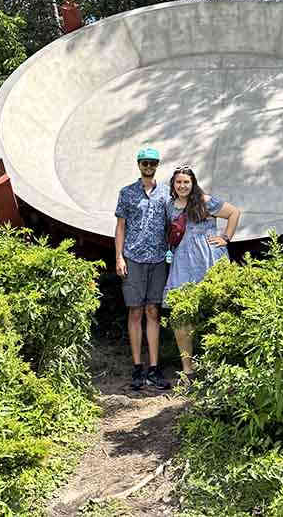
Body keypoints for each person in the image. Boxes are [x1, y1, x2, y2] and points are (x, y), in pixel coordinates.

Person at [163, 165, 241, 379]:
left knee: (214, 308)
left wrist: (225, 237)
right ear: (173, 184)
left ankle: (216, 365)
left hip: (208, 257)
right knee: (181, 311)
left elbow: (234, 212)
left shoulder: (205, 201)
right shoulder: (170, 206)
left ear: (192, 183)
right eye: (178, 182)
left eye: (186, 182)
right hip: (182, 260)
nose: (182, 185)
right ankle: (187, 368)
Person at [115, 146, 172, 391]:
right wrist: (119, 257)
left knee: (153, 311)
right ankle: (138, 367)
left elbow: (175, 224)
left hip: (158, 259)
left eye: (152, 163)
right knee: (135, 311)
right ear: (139, 165)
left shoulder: (167, 194)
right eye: (145, 163)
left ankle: (154, 368)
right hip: (134, 258)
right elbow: (120, 227)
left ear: (157, 165)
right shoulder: (127, 193)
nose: (148, 167)